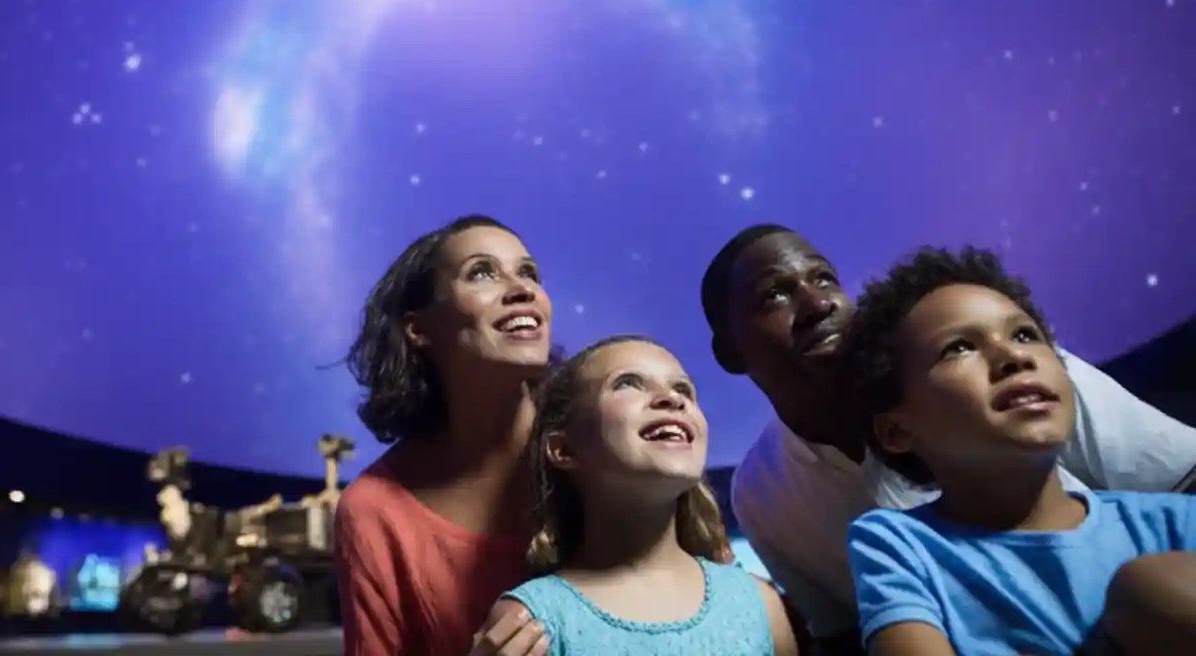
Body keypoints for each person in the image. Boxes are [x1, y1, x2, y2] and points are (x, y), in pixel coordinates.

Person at [700, 225, 1196, 648]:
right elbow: (841, 636)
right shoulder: (763, 496)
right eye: (774, 296)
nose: (817, 302)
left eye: (824, 278)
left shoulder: (1027, 381)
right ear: (729, 353)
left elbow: (1180, 476)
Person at [843, 246, 1196, 654]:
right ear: (896, 430)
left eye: (1025, 335)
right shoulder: (900, 546)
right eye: (958, 347)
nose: (1013, 356)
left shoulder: (1176, 523)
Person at [486, 335, 799, 655]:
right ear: (564, 449)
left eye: (683, 390)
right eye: (628, 384)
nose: (672, 399)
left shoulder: (760, 606)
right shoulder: (531, 624)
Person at [334, 215, 555, 656]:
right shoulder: (375, 512)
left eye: (528, 272)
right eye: (482, 272)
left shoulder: (604, 449)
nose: (521, 289)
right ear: (418, 330)